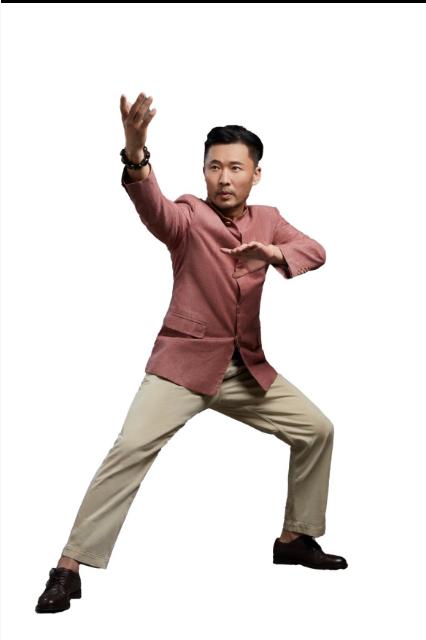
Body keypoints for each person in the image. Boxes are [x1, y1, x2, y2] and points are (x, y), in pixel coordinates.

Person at [35, 91, 348, 614]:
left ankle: (295, 538)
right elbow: (152, 207)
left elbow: (315, 251)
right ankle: (69, 567)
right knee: (129, 451)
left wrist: (273, 252)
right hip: (181, 368)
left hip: (243, 368)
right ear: (203, 171)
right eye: (214, 167)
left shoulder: (269, 219)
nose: (223, 178)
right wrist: (135, 154)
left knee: (317, 429)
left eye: (235, 168)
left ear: (256, 174)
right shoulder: (188, 216)